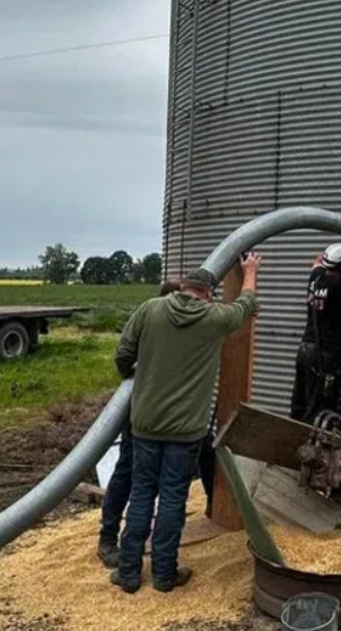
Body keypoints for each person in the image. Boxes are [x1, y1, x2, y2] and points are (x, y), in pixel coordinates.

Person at [111, 254, 261, 594]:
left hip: (146, 424)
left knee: (142, 493)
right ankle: (164, 575)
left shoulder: (150, 309)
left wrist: (131, 377)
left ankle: (129, 573)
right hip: (186, 431)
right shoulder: (213, 318)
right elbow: (246, 304)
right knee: (173, 498)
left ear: (182, 288)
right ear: (208, 294)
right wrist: (250, 271)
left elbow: (123, 353)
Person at [96, 279, 181, 569]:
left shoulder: (183, 327)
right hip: (144, 411)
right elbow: (123, 356)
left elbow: (123, 356)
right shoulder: (152, 322)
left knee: (149, 478)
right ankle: (108, 538)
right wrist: (133, 377)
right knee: (129, 472)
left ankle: (132, 539)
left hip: (167, 414)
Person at [289, 240, 341, 423]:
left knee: (299, 405)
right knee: (318, 410)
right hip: (324, 356)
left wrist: (333, 252)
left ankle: (291, 436)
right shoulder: (339, 283)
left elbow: (317, 261)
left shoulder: (316, 277)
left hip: (305, 350)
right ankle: (309, 441)